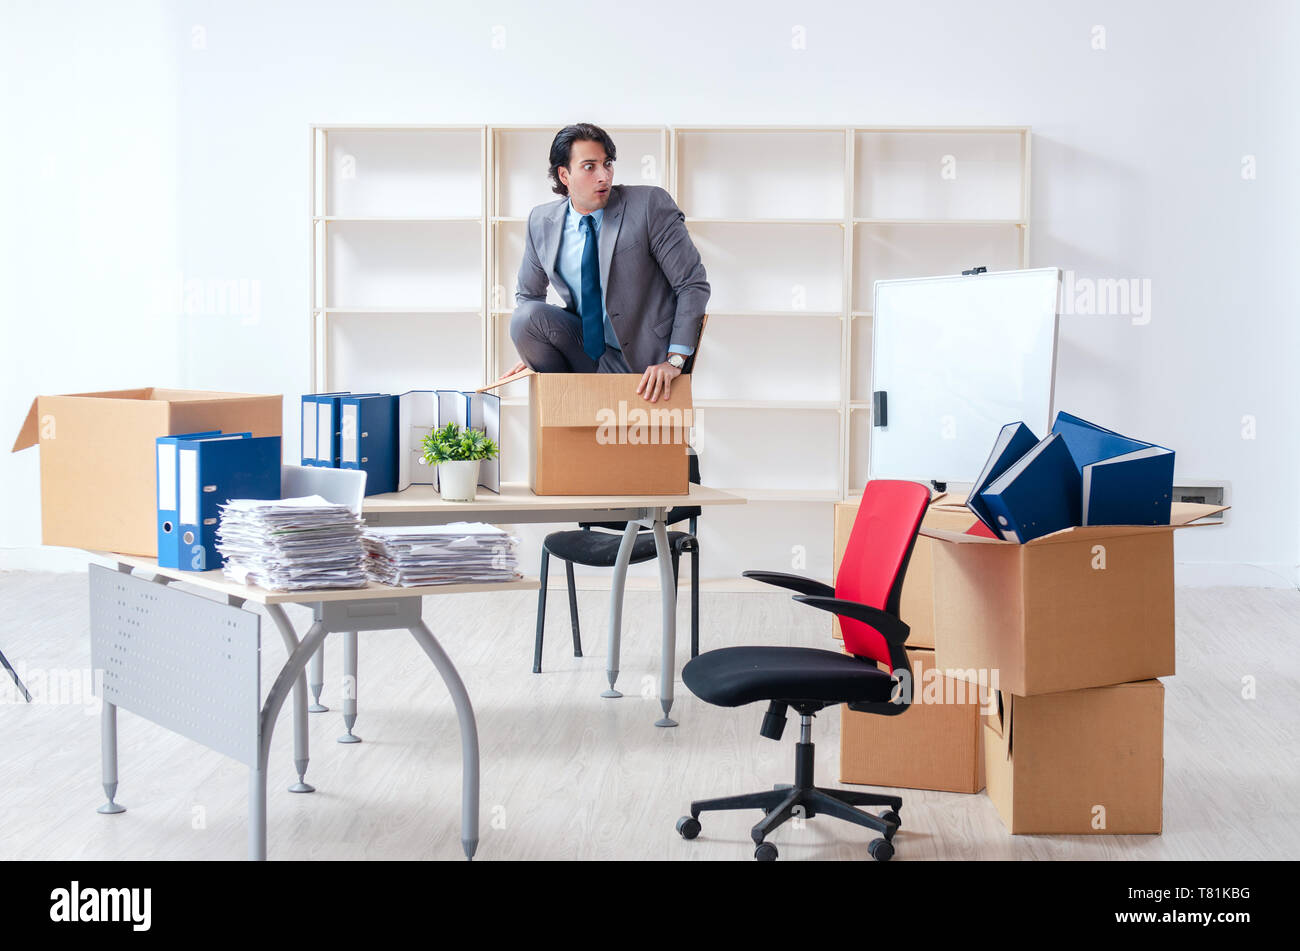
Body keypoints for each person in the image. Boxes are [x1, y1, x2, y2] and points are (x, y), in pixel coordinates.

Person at [504, 123, 709, 403]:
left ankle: (601, 421)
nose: (604, 176)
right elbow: (528, 296)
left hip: (644, 361)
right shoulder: (542, 222)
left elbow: (692, 284)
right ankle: (569, 413)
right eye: (590, 167)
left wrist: (674, 361)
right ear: (564, 175)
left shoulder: (648, 205)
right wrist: (536, 355)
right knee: (525, 320)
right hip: (586, 355)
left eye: (608, 164)